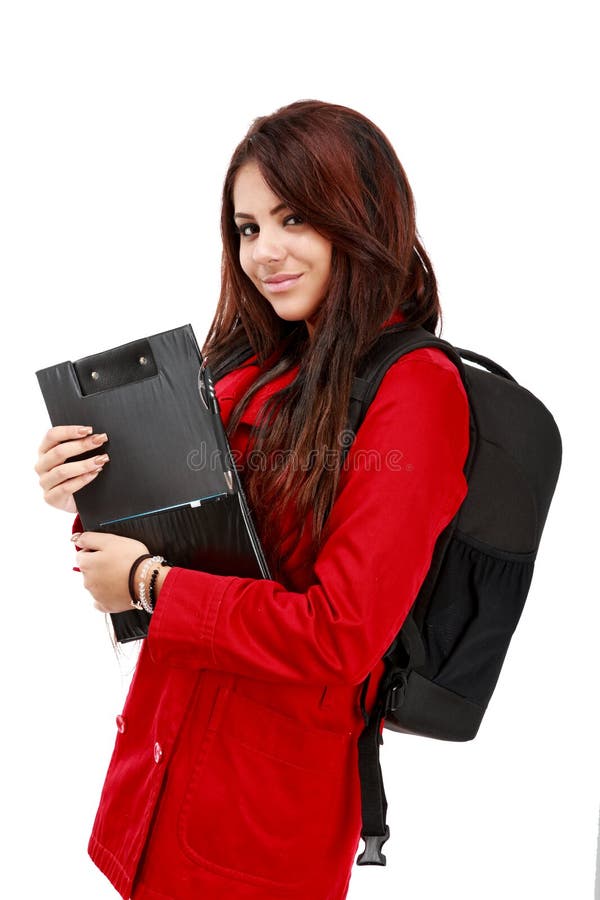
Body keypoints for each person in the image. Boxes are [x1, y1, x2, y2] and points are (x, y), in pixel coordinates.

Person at [34, 100, 470, 900]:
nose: (264, 252)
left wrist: (144, 585)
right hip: (157, 775)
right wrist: (89, 489)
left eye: (293, 217)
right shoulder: (246, 364)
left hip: (258, 821)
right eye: (246, 228)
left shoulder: (415, 392)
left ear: (362, 215)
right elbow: (207, 536)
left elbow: (340, 636)